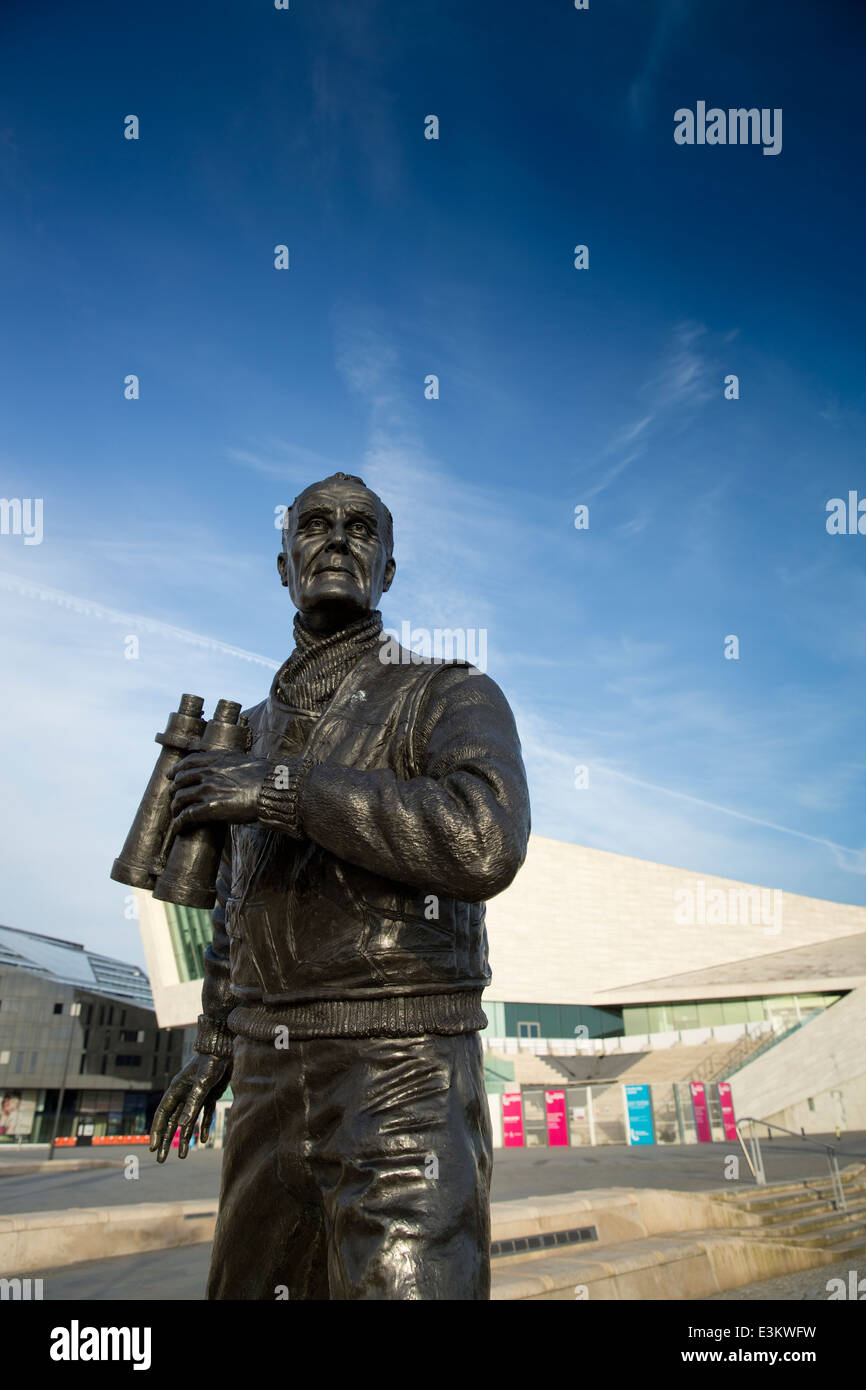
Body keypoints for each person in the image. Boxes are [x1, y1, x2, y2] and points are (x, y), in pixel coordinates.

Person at [149, 471, 531, 1299]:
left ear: (387, 571)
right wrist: (215, 1041)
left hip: (402, 1071)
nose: (335, 540)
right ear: (283, 562)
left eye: (362, 530)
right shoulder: (246, 729)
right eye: (314, 525)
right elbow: (234, 904)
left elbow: (484, 838)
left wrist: (285, 790)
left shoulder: (449, 692)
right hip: (263, 1077)